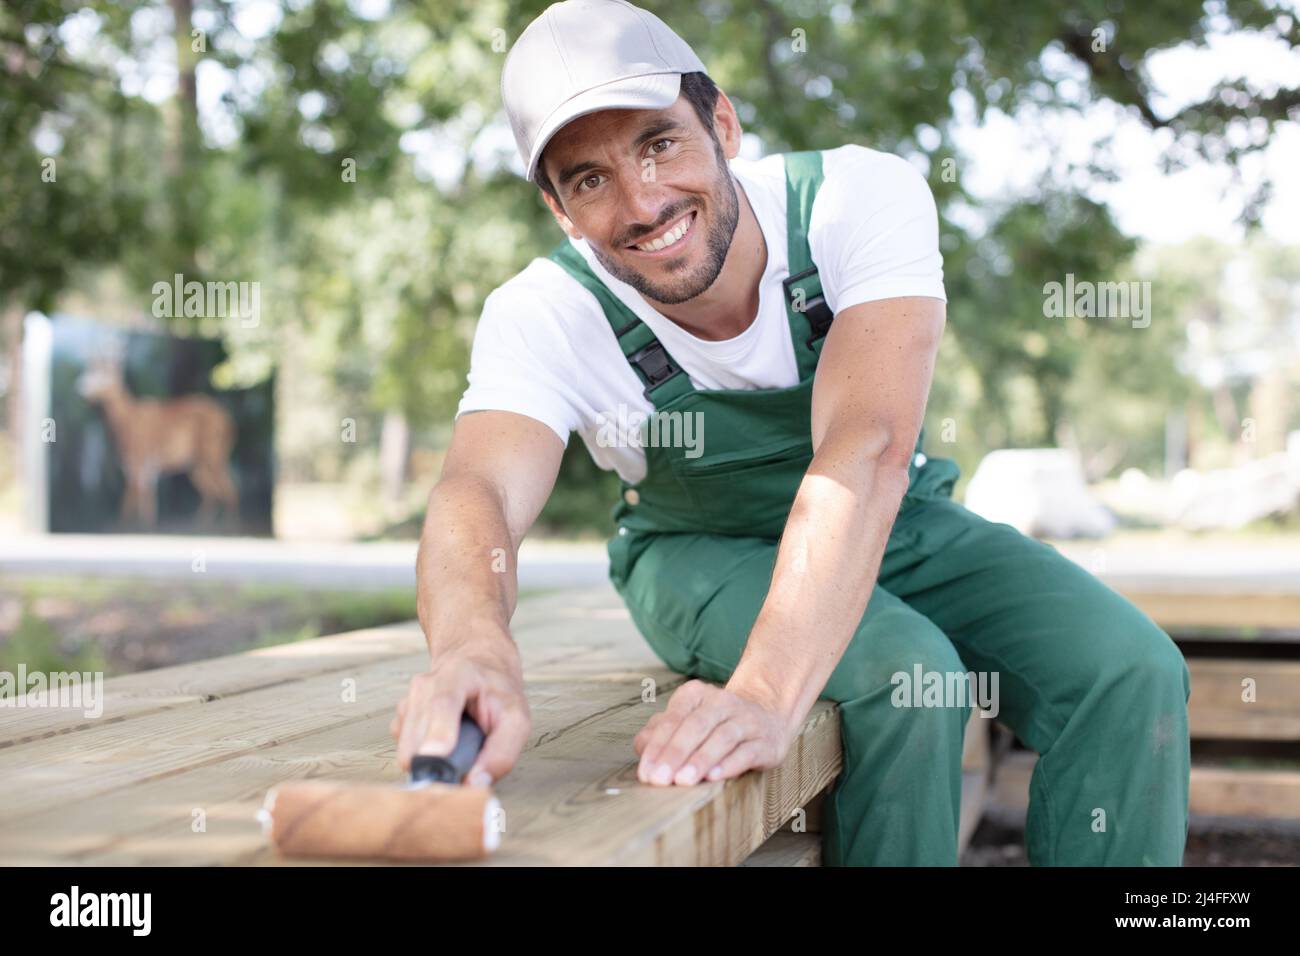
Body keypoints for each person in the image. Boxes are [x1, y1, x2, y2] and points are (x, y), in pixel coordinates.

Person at [390, 0, 1191, 865]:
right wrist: (475, 649)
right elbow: (478, 493)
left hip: (890, 516)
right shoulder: (544, 312)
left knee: (1128, 670)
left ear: (723, 124)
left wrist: (769, 690)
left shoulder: (855, 199)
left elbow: (870, 446)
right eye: (590, 179)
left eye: (661, 143)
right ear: (558, 208)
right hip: (702, 549)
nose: (643, 199)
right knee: (907, 681)